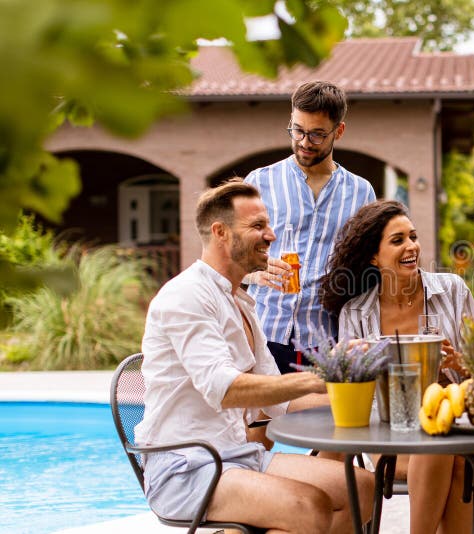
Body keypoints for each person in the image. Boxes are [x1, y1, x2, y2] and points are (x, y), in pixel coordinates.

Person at [135, 179, 374, 533]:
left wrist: (358, 393)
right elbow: (224, 389)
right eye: (258, 226)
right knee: (310, 508)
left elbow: (279, 400)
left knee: (361, 487)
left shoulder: (241, 302)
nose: (271, 235)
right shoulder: (186, 296)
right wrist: (319, 376)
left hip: (238, 456)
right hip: (186, 467)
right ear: (221, 233)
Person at [321, 199, 474, 534]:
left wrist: (460, 363)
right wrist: (360, 364)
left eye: (412, 236)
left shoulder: (452, 291)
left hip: (467, 425)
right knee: (447, 458)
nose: (411, 246)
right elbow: (349, 392)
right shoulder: (356, 313)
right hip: (391, 435)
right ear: (374, 256)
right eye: (397, 241)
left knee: (445, 448)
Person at [245, 80, 376, 374]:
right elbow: (230, 256)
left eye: (317, 135)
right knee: (257, 420)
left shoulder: (361, 192)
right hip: (263, 334)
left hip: (327, 342)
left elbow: (367, 266)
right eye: (298, 130)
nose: (304, 142)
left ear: (338, 132)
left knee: (321, 420)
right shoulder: (259, 182)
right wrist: (255, 273)